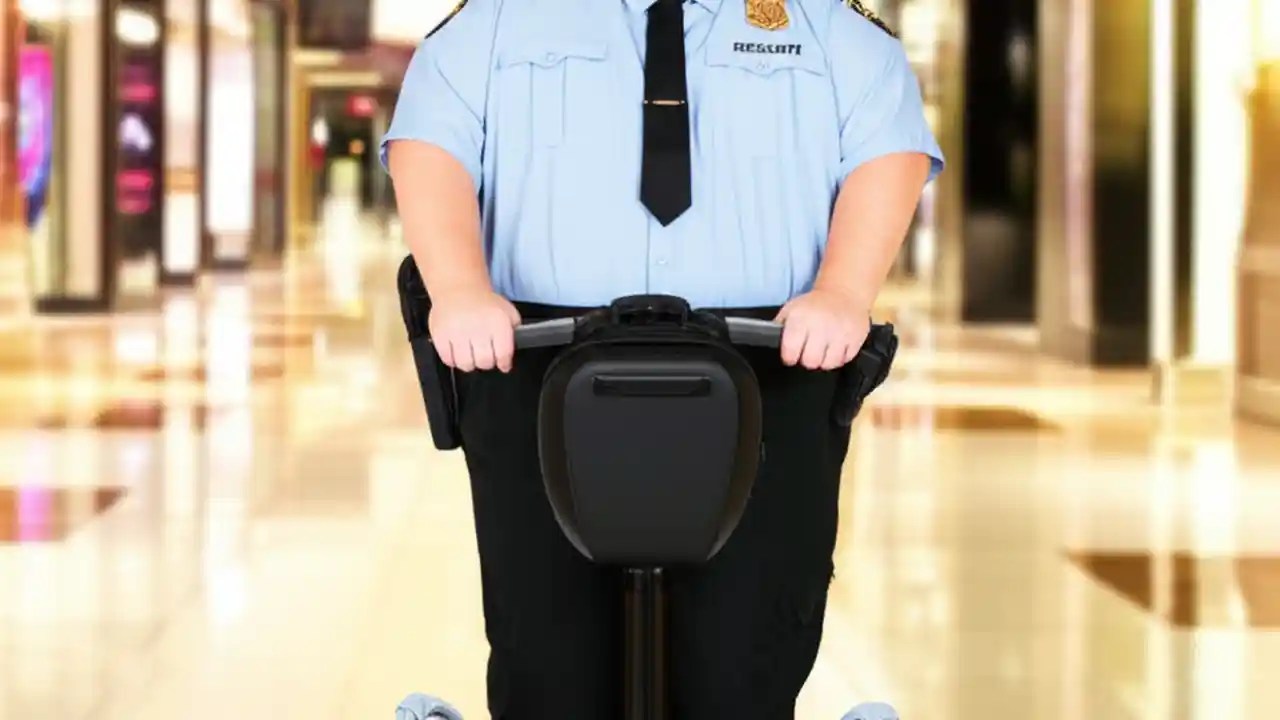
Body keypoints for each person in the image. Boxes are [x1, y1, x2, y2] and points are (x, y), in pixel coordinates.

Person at [382, 0, 943, 717]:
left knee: (745, 659)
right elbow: (430, 142)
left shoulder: (821, 22)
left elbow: (885, 145)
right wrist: (458, 289)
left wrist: (843, 291)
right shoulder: (502, 17)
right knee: (549, 662)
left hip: (773, 361)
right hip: (534, 361)